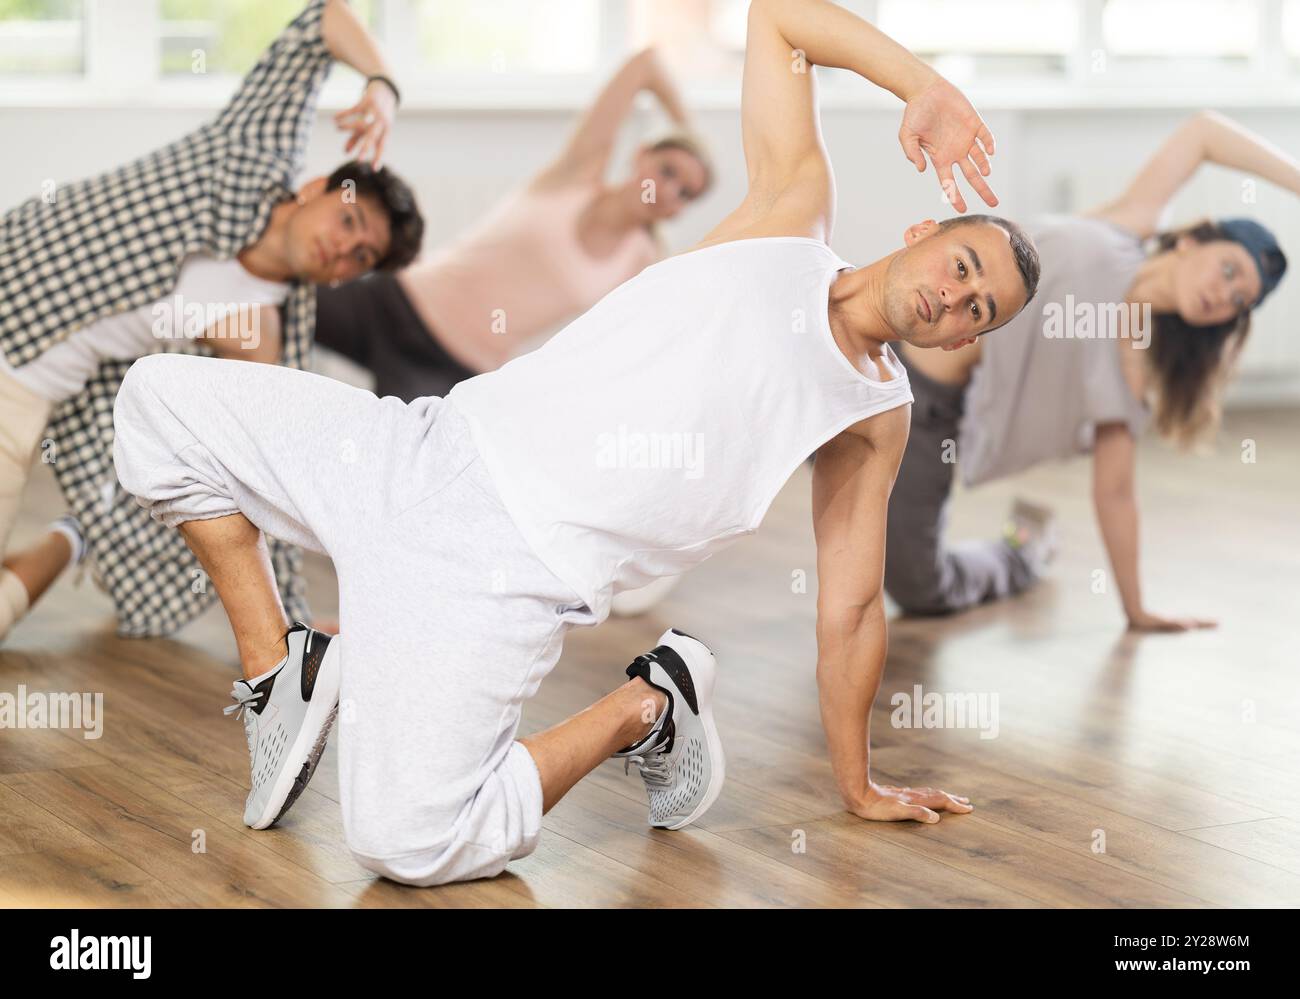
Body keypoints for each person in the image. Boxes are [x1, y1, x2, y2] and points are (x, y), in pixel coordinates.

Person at [112, 0, 1038, 885]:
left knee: (406, 844)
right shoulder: (789, 215)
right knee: (156, 402)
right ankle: (282, 672)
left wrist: (857, 783)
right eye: (962, 266)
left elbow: (854, 611)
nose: (955, 299)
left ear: (962, 341)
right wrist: (920, 84)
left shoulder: (872, 416)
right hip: (424, 446)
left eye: (977, 310)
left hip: (509, 577)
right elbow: (778, 20)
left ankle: (648, 704)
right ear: (925, 231)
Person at [0, 0, 423, 645]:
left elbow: (268, 480)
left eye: (361, 257)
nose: (344, 249)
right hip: (10, 274)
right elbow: (324, 19)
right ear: (314, 189)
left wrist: (300, 628)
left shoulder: (263, 330)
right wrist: (384, 88)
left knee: (151, 526)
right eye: (348, 222)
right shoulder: (246, 156)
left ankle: (70, 538)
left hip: (23, 397)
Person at [884, 110, 1292, 632]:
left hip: (924, 414)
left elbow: (1116, 494)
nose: (1224, 294)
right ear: (1193, 240)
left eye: (1240, 301)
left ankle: (1022, 549)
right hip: (889, 330)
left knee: (922, 591)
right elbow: (1206, 132)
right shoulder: (1128, 224)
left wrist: (1136, 610)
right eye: (1229, 269)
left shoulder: (1133, 373)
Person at [312, 47, 712, 403]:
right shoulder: (576, 175)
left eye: (686, 193)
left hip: (453, 370)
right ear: (641, 155)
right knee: (269, 295)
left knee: (408, 471)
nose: (669, 190)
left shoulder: (643, 260)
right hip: (395, 302)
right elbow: (645, 64)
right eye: (667, 171)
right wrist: (692, 137)